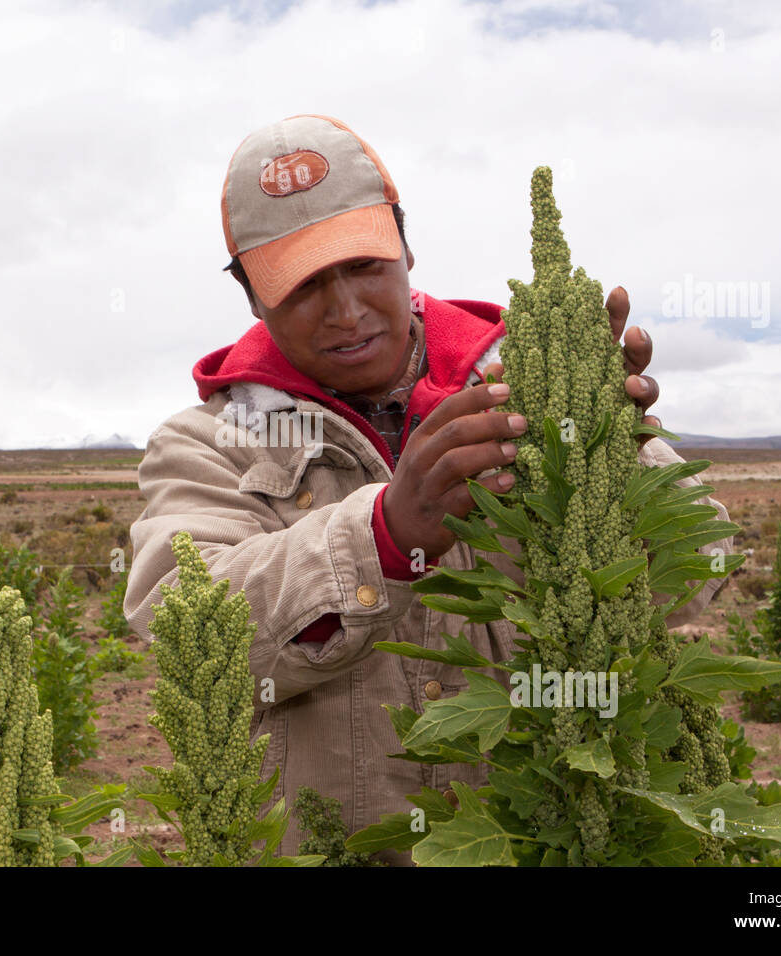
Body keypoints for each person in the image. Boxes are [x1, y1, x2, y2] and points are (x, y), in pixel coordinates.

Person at [124, 114, 733, 864]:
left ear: (405, 247)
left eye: (363, 266)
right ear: (251, 297)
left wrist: (614, 458)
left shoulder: (527, 383)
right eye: (303, 284)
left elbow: (701, 572)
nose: (345, 310)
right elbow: (185, 630)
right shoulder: (207, 442)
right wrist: (384, 539)